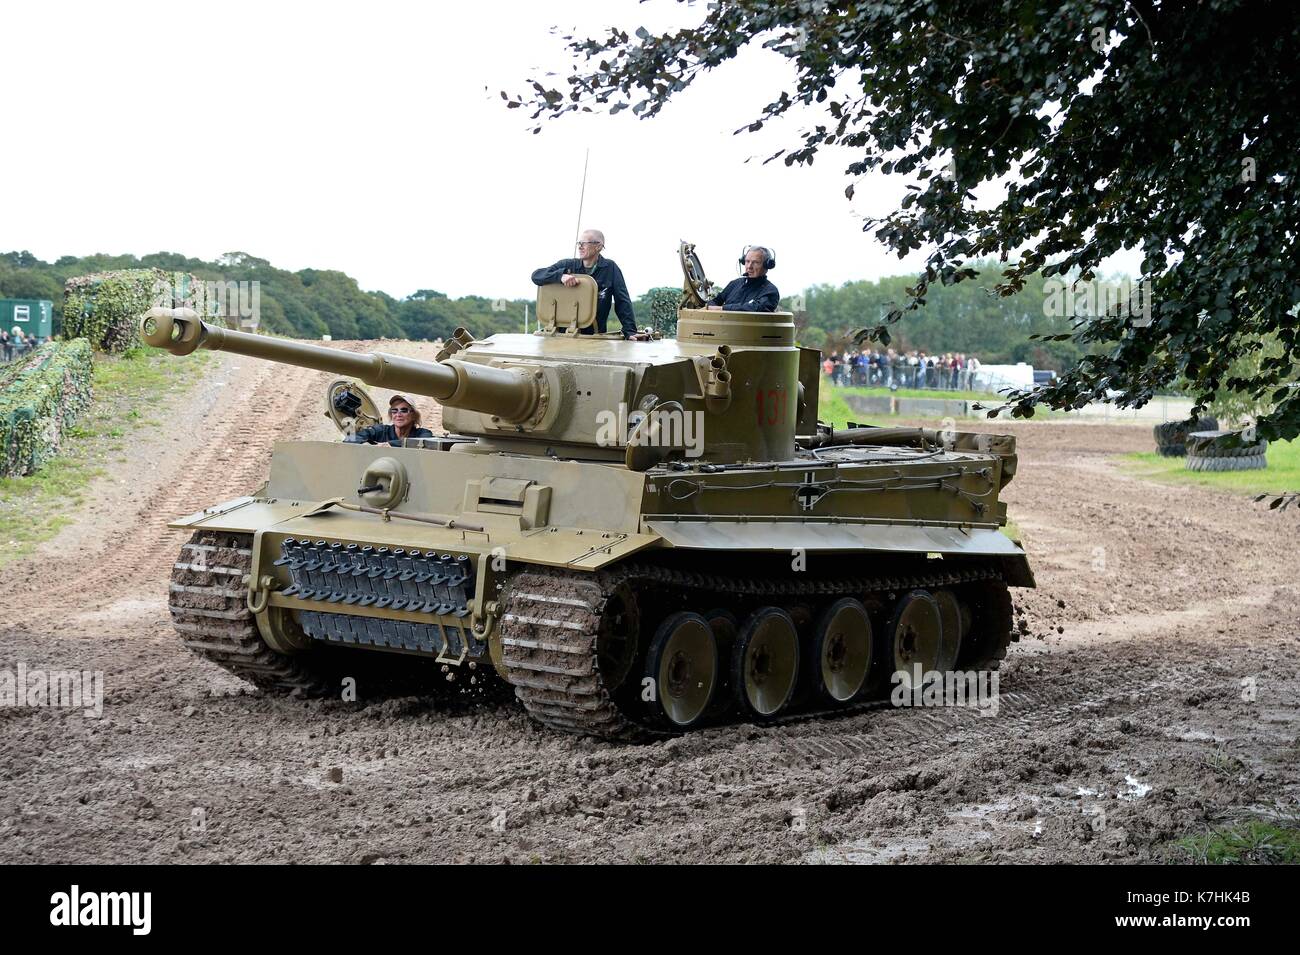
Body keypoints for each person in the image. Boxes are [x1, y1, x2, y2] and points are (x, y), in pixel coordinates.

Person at [531, 229, 638, 337]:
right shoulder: (567, 265)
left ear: (599, 246)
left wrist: (630, 332)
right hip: (562, 336)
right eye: (579, 243)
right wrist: (560, 276)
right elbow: (536, 276)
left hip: (595, 337)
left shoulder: (610, 268)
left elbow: (622, 301)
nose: (580, 246)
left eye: (584, 243)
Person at [708, 246, 780, 313]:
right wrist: (710, 306)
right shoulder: (734, 284)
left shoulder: (771, 291)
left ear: (767, 265)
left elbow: (756, 308)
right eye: (747, 261)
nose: (749, 266)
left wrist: (722, 308)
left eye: (755, 262)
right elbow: (715, 301)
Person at [345, 394, 434, 446]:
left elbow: (424, 442)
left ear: (414, 415)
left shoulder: (423, 433)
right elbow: (350, 439)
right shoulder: (381, 431)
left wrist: (391, 445)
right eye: (394, 411)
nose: (398, 414)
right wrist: (365, 445)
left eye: (404, 410)